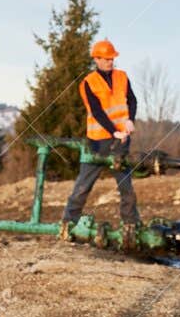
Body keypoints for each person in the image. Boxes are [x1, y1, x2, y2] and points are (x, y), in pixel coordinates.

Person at [60, 38, 141, 236]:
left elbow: (132, 100)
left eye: (112, 58)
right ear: (96, 59)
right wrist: (113, 130)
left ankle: (131, 226)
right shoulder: (88, 82)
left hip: (120, 142)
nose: (110, 62)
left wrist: (130, 120)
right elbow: (96, 111)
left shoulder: (122, 76)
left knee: (126, 187)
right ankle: (67, 224)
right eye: (106, 59)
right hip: (97, 142)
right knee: (82, 186)